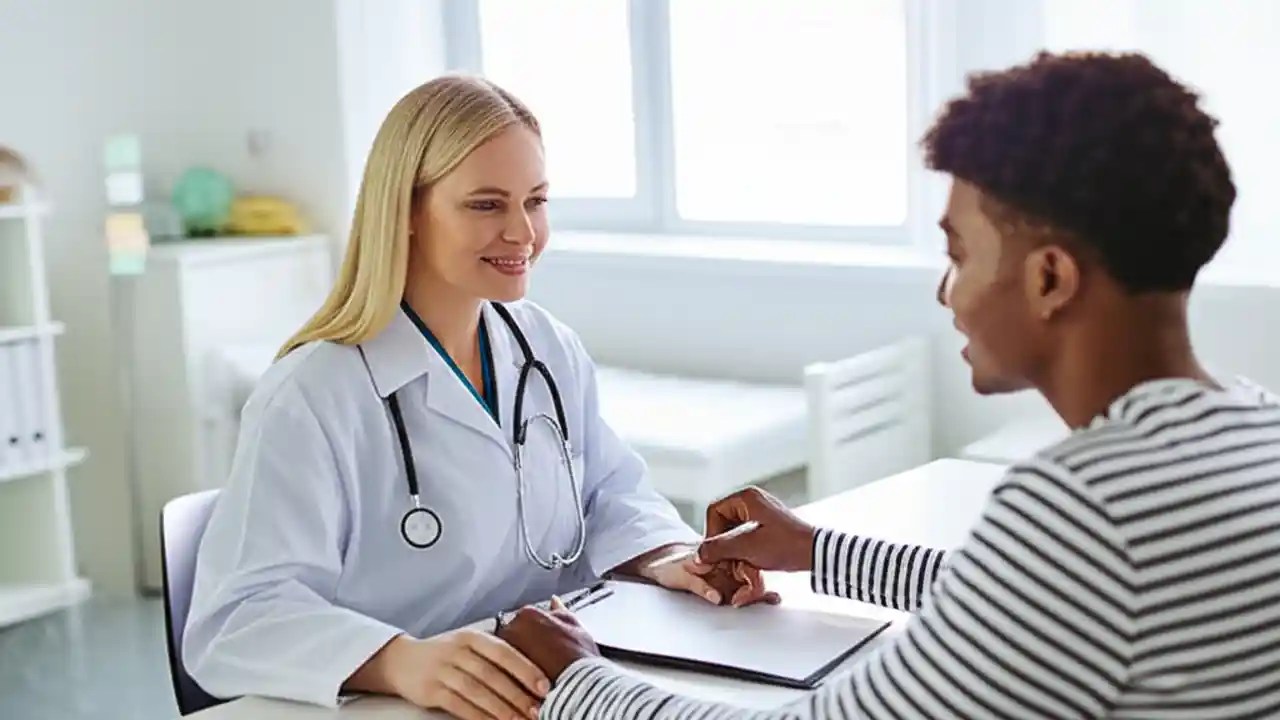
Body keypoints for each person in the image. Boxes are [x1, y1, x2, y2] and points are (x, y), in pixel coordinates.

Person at [496, 50, 1280, 718]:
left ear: (1049, 278)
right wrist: (816, 549)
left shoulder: (1085, 510)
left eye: (959, 255)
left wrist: (573, 678)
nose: (947, 292)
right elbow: (1027, 597)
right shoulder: (1254, 434)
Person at [183, 75, 772, 720]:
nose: (523, 232)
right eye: (487, 205)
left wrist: (672, 559)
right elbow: (237, 618)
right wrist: (400, 660)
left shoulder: (546, 346)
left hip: (551, 688)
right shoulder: (312, 395)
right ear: (406, 211)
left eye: (536, 201)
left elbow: (607, 495)